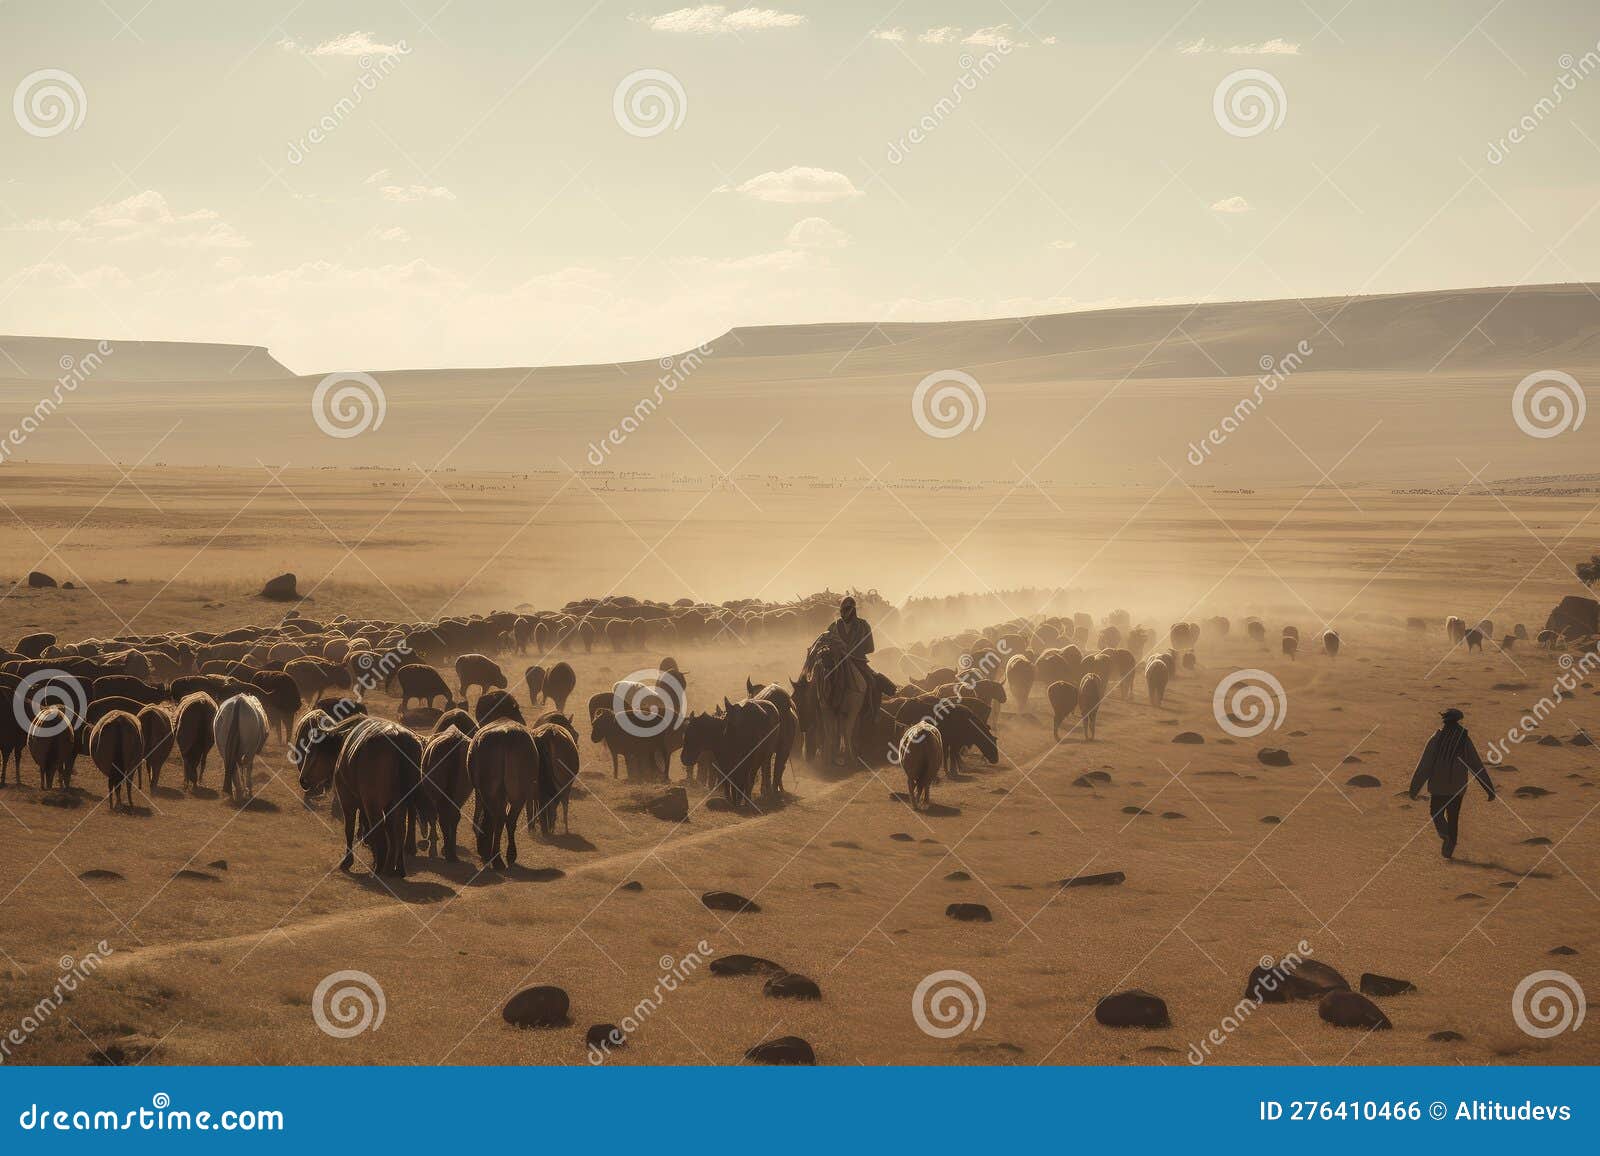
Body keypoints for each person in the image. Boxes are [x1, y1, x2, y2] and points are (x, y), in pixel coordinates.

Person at [1408, 708, 1495, 859]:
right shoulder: (1464, 740)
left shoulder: (1437, 738)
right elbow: (1475, 765)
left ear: (1445, 721)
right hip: (1457, 787)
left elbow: (1425, 765)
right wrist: (1488, 788)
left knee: (1436, 813)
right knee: (1453, 817)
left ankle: (1445, 837)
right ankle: (1449, 849)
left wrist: (1414, 788)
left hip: (1438, 786)